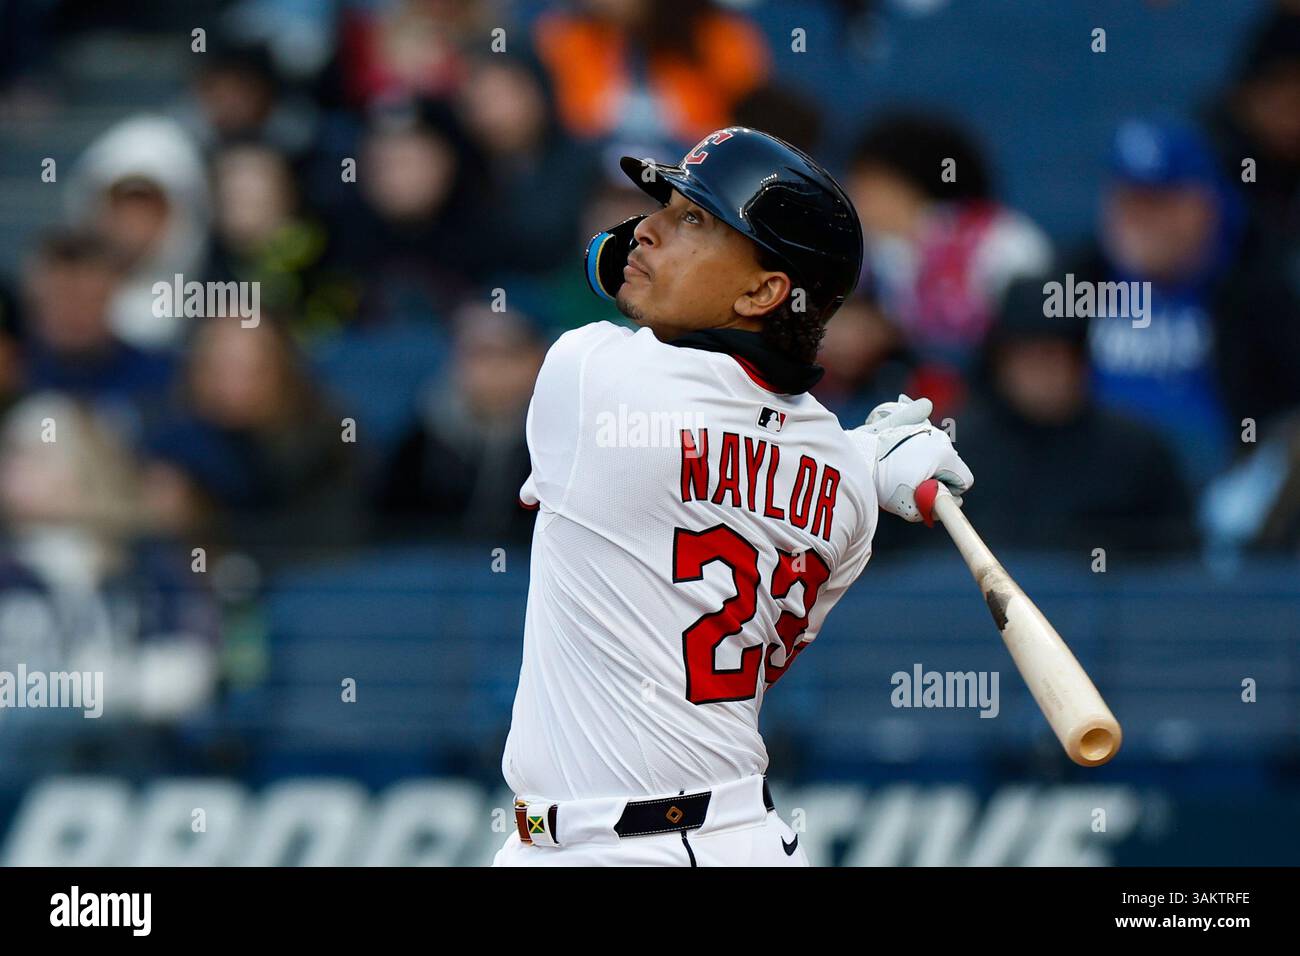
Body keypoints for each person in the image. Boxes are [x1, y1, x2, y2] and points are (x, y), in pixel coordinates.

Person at [493, 127, 973, 867]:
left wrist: (865, 448)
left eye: (693, 221)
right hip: (713, 833)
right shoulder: (847, 492)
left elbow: (609, 271)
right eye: (667, 208)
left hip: (642, 846)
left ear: (763, 290)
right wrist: (868, 455)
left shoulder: (589, 374)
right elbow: (762, 434)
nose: (644, 229)